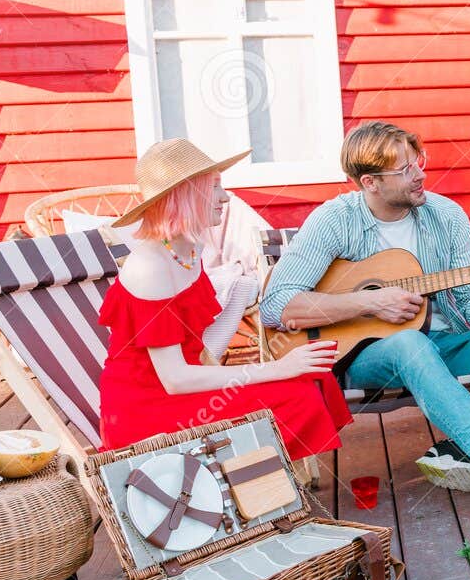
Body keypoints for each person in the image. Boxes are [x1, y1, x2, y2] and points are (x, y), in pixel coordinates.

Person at [258, 122, 470, 524]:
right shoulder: (334, 220)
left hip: (442, 343)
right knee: (407, 342)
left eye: (418, 161)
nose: (420, 174)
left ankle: (463, 449)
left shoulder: (445, 215)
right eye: (405, 169)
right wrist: (369, 302)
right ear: (370, 183)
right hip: (363, 358)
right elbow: (276, 305)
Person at [98, 139, 353, 463]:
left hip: (184, 389)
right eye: (215, 188)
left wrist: (265, 361)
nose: (225, 198)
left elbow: (201, 350)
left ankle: (259, 485)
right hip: (146, 411)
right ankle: (253, 487)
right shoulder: (150, 267)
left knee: (312, 377)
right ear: (185, 195)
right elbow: (175, 379)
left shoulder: (188, 251)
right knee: (296, 393)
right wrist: (275, 368)